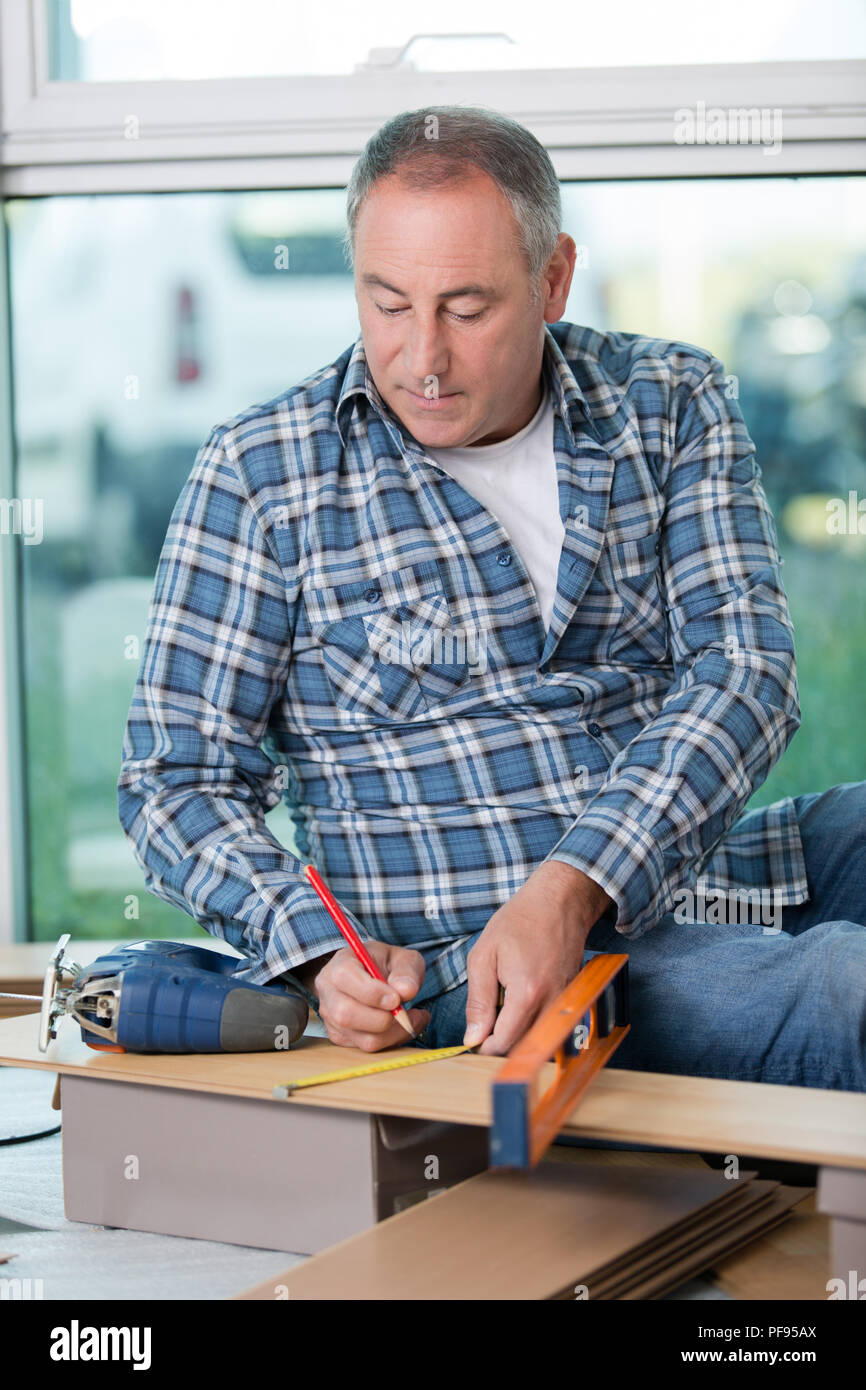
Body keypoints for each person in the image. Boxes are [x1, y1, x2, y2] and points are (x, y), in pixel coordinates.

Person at [118, 106, 866, 1091]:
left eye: (466, 311)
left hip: (691, 880)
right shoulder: (262, 475)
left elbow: (745, 673)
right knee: (841, 995)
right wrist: (309, 947)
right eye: (386, 304)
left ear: (552, 277)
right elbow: (177, 778)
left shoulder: (669, 402)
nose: (421, 357)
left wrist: (572, 883)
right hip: (477, 974)